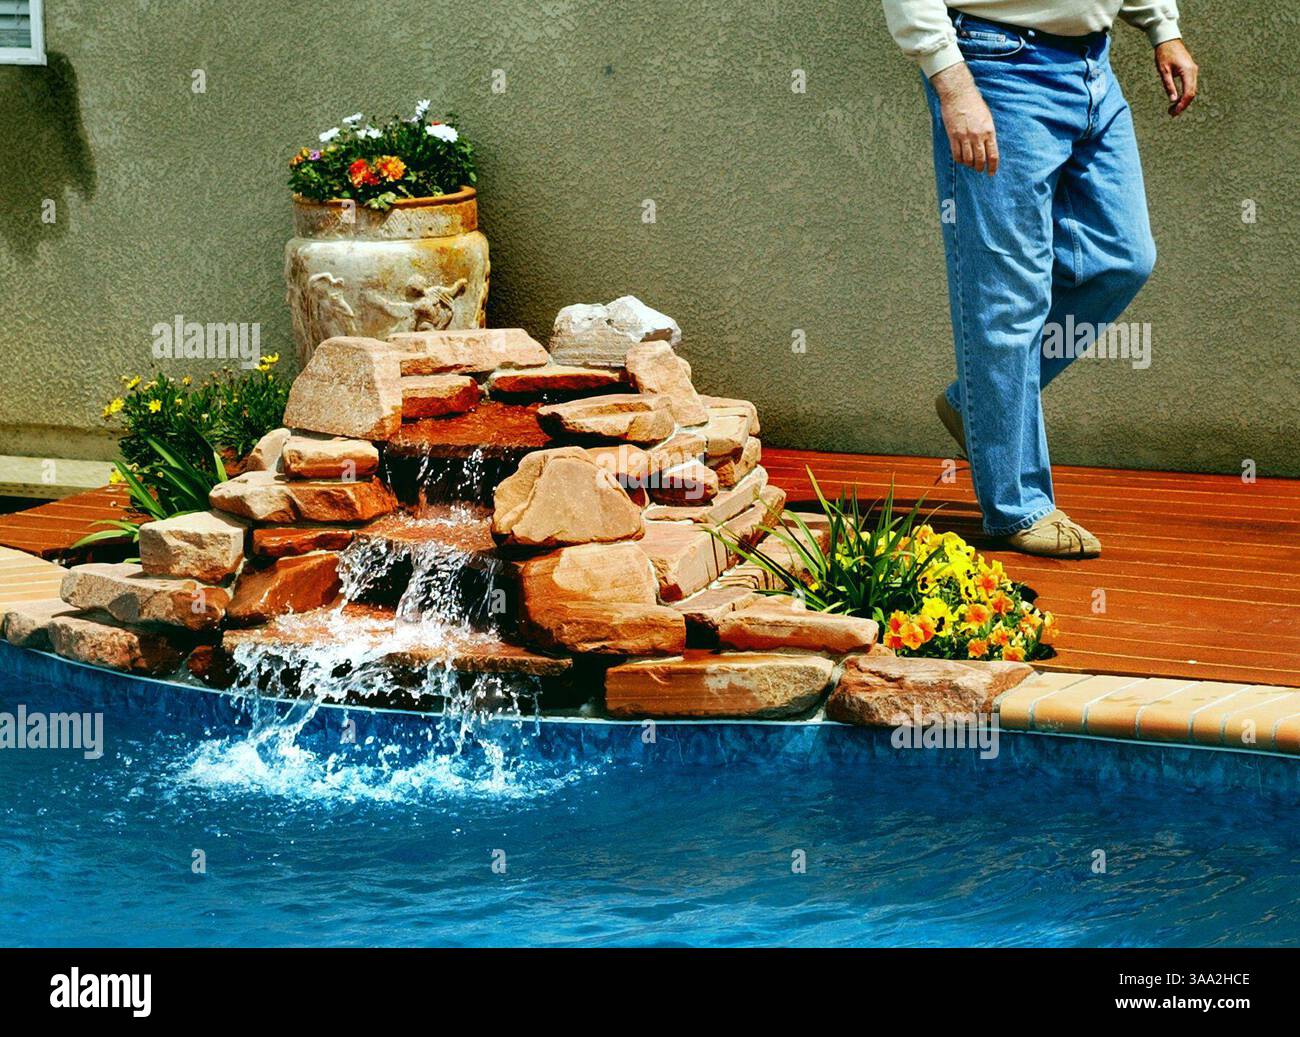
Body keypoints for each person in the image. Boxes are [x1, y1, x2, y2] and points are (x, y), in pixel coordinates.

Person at [882, 1, 1198, 557]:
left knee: (1123, 257)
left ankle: (974, 406)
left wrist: (1161, 26)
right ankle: (1017, 504)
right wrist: (952, 82)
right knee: (1008, 294)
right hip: (997, 65)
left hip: (1093, 64)